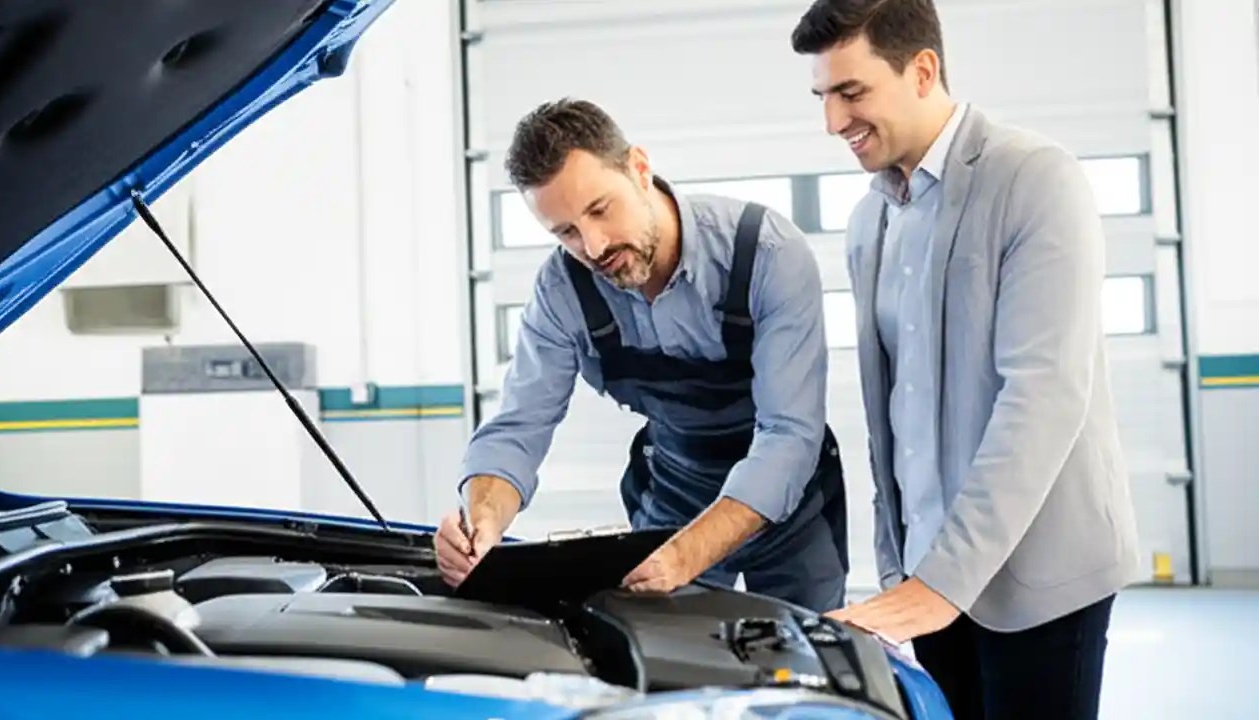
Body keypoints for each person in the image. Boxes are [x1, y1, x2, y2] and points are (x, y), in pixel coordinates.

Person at [788, 1, 1140, 718]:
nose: (833, 121)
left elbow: (1042, 397)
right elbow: (892, 416)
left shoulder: (1035, 179)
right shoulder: (869, 221)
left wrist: (940, 584)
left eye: (851, 92)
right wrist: (903, 567)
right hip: (924, 575)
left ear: (922, 71)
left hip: (1041, 577)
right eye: (823, 97)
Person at [432, 98, 849, 611]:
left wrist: (689, 554)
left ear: (640, 169)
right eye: (564, 232)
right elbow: (520, 426)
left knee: (818, 655)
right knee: (670, 660)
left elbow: (789, 436)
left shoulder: (766, 253)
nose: (593, 245)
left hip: (795, 509)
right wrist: (481, 522)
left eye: (600, 209)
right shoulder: (563, 291)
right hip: (674, 491)